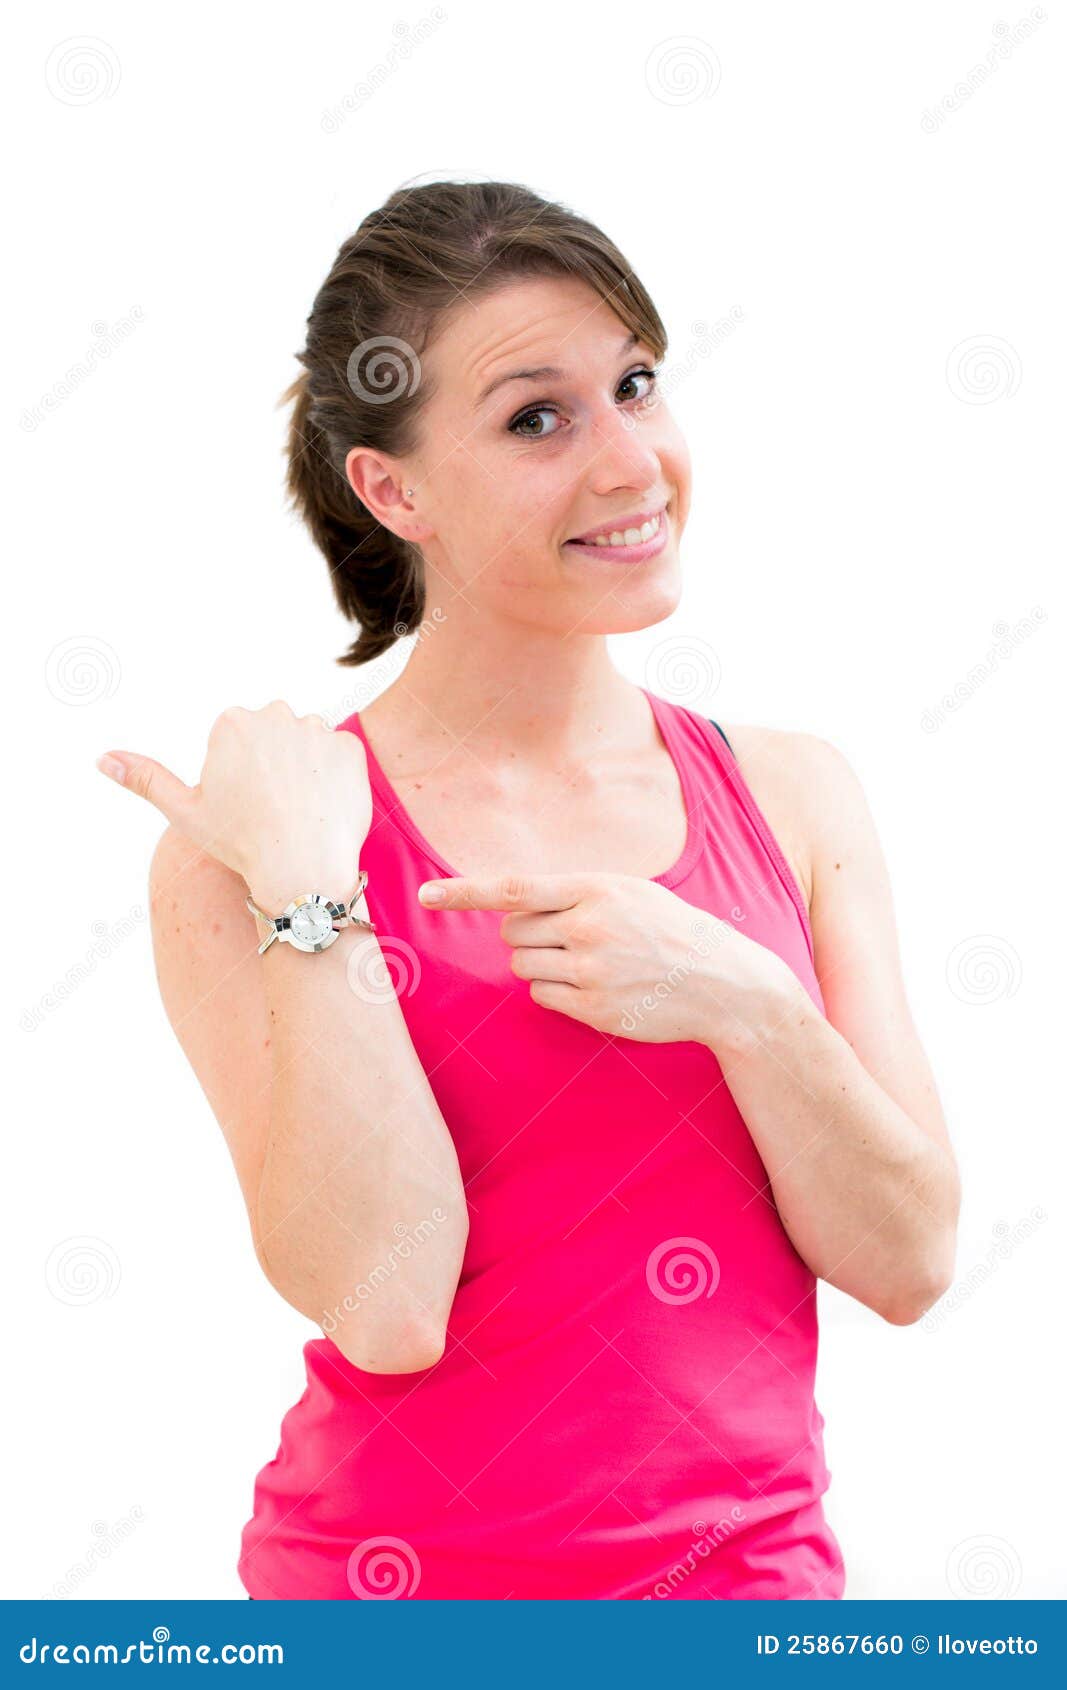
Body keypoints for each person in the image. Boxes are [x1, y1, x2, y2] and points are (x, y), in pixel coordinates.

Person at [96, 180, 960, 1600]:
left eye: (636, 384)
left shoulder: (796, 796)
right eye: (536, 418)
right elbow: (386, 1306)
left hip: (744, 1600)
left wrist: (742, 998)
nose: (633, 462)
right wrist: (315, 899)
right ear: (393, 487)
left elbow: (912, 1259)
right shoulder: (254, 842)